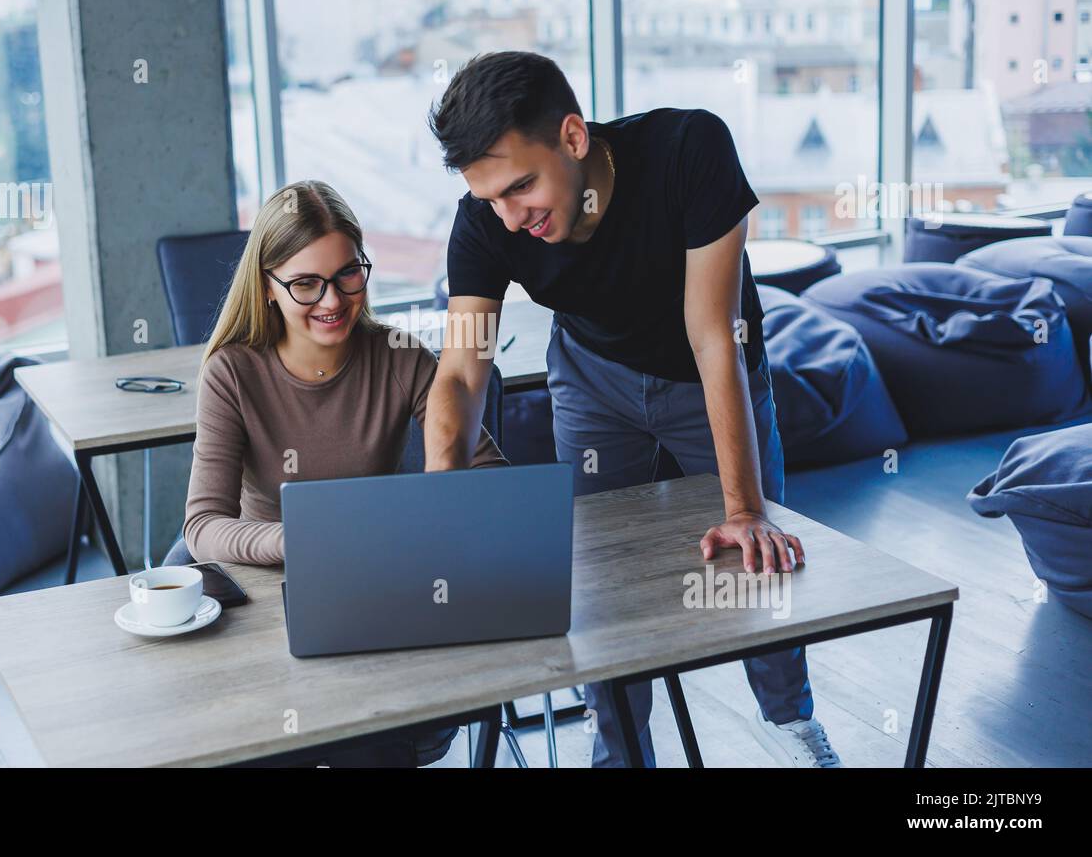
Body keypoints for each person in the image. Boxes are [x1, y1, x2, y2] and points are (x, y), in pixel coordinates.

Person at [422, 51, 841, 768]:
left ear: (574, 138)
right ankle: (620, 753)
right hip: (593, 381)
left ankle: (789, 724)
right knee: (600, 576)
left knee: (762, 556)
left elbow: (714, 338)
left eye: (521, 186)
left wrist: (742, 509)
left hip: (708, 372)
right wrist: (437, 510)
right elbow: (462, 369)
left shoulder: (688, 150)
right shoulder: (486, 224)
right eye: (491, 197)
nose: (509, 216)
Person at [181, 178, 508, 766]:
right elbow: (203, 526)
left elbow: (489, 474)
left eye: (347, 275)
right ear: (269, 287)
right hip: (268, 604)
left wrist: (434, 513)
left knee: (381, 737)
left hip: (371, 594)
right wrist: (299, 538)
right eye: (305, 283)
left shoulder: (402, 358)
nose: (332, 300)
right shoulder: (232, 373)